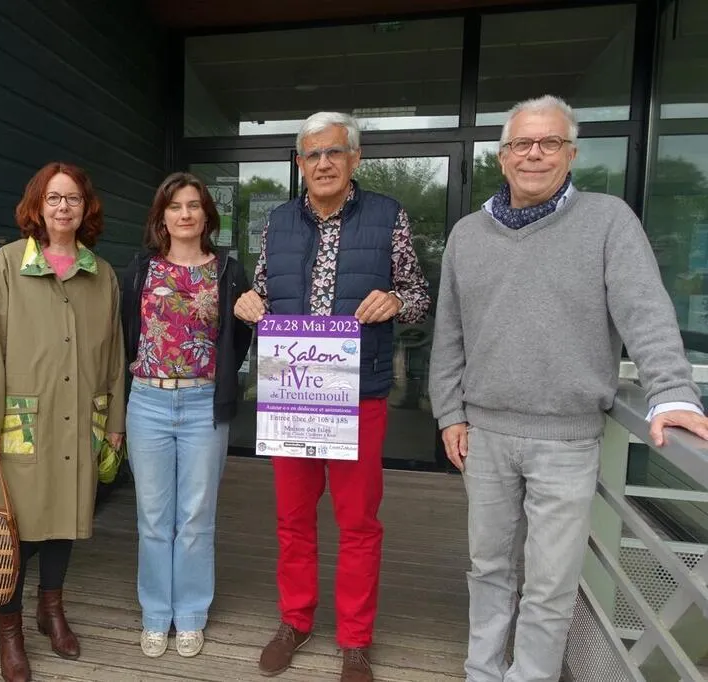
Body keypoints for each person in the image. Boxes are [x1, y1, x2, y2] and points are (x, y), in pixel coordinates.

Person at [428, 94, 708, 682]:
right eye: (522, 143)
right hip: (485, 435)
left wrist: (673, 393)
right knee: (488, 568)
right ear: (502, 157)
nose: (535, 154)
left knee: (551, 583)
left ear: (571, 153)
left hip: (568, 440)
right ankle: (482, 671)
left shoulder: (608, 222)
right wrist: (449, 412)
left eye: (550, 142)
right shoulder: (467, 234)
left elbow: (646, 313)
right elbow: (449, 333)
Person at [234, 111, 430, 682]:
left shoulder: (387, 215)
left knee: (358, 523)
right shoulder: (279, 221)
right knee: (293, 519)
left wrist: (397, 301)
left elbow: (419, 294)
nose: (323, 163)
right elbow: (263, 292)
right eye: (313, 154)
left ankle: (355, 639)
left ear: (355, 159)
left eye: (334, 152)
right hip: (292, 393)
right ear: (299, 163)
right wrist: (248, 302)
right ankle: (295, 620)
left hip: (357, 394)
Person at [0, 161, 125, 682]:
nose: (63, 207)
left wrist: (115, 419)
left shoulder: (101, 274)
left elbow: (115, 353)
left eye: (73, 198)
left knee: (64, 519)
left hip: (80, 417)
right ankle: (9, 628)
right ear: (37, 206)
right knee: (13, 531)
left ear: (85, 208)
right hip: (20, 423)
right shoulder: (9, 264)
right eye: (53, 198)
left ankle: (51, 609)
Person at [121, 172, 254, 659]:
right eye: (175, 206)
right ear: (162, 216)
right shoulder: (142, 268)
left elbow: (240, 336)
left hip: (203, 405)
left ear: (206, 215)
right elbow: (126, 330)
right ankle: (157, 615)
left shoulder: (228, 271)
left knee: (196, 516)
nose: (185, 214)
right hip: (148, 402)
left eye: (194, 205)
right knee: (154, 517)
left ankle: (192, 614)